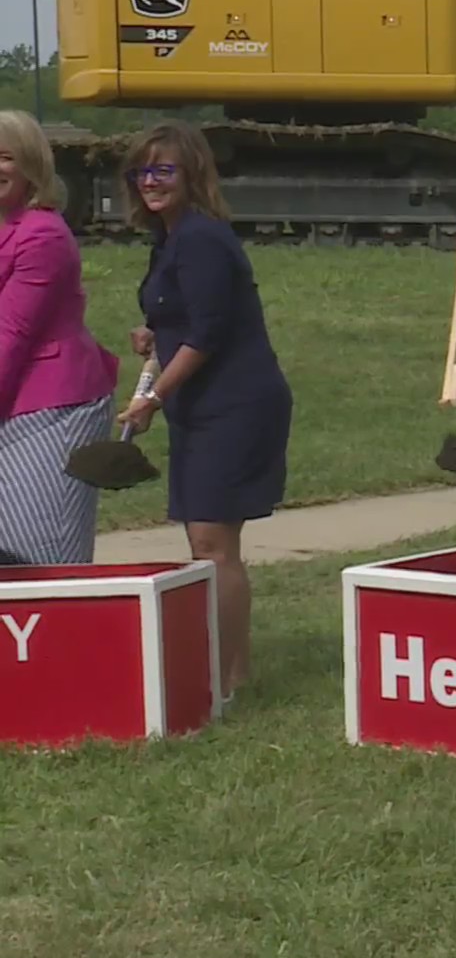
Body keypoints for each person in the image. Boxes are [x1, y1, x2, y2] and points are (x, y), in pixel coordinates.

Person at [116, 119, 294, 700]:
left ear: (192, 174)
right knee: (207, 543)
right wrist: (153, 329)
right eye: (141, 170)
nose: (150, 180)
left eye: (163, 169)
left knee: (214, 545)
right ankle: (227, 672)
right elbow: (187, 314)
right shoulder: (170, 238)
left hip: (235, 405)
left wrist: (151, 398)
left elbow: (208, 333)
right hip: (202, 407)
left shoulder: (200, 237)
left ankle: (229, 680)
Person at [0, 110, 120, 565]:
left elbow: (10, 336)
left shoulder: (43, 236)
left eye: (6, 157)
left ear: (31, 167)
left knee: (37, 555)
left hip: (51, 408)